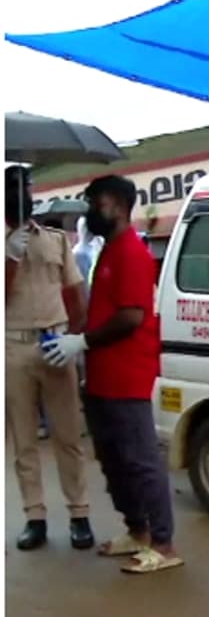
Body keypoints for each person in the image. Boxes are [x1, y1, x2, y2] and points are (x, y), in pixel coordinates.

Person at [41, 174, 182, 574]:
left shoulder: (132, 254)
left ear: (119, 204)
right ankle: (137, 530)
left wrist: (82, 343)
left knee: (140, 460)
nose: (90, 209)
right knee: (113, 459)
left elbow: (131, 317)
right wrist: (75, 338)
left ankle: (164, 543)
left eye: (95, 201)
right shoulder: (109, 251)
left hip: (127, 375)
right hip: (102, 376)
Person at [4, 165, 94, 551]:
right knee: (23, 438)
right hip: (15, 345)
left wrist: (77, 337)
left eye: (26, 186)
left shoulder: (56, 240)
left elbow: (75, 292)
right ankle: (34, 516)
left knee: (68, 434)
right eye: (14, 187)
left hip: (55, 341)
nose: (22, 193)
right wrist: (9, 256)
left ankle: (79, 514)